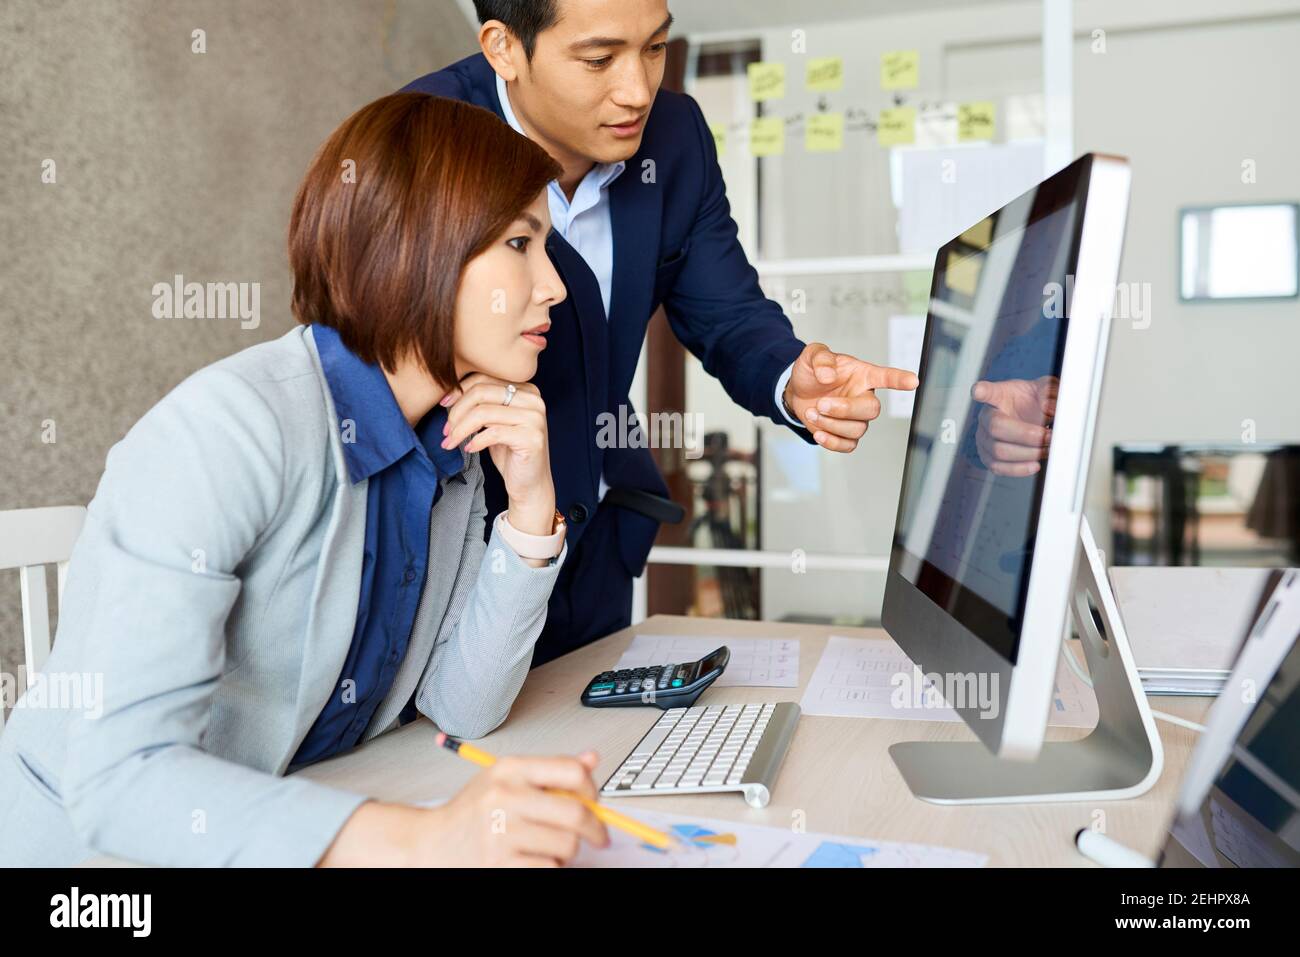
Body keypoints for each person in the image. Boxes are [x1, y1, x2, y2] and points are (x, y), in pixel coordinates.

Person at [0, 94, 610, 867]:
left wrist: (530, 505)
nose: (553, 284)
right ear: (416, 246)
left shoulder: (455, 450)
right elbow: (124, 779)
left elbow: (462, 706)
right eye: (521, 243)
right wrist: (429, 839)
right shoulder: (226, 431)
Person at [404, 0, 921, 665]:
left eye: (655, 48)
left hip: (598, 546)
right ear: (504, 48)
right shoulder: (423, 138)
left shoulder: (676, 138)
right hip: (459, 552)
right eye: (599, 59)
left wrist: (793, 380)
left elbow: (727, 309)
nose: (638, 91)